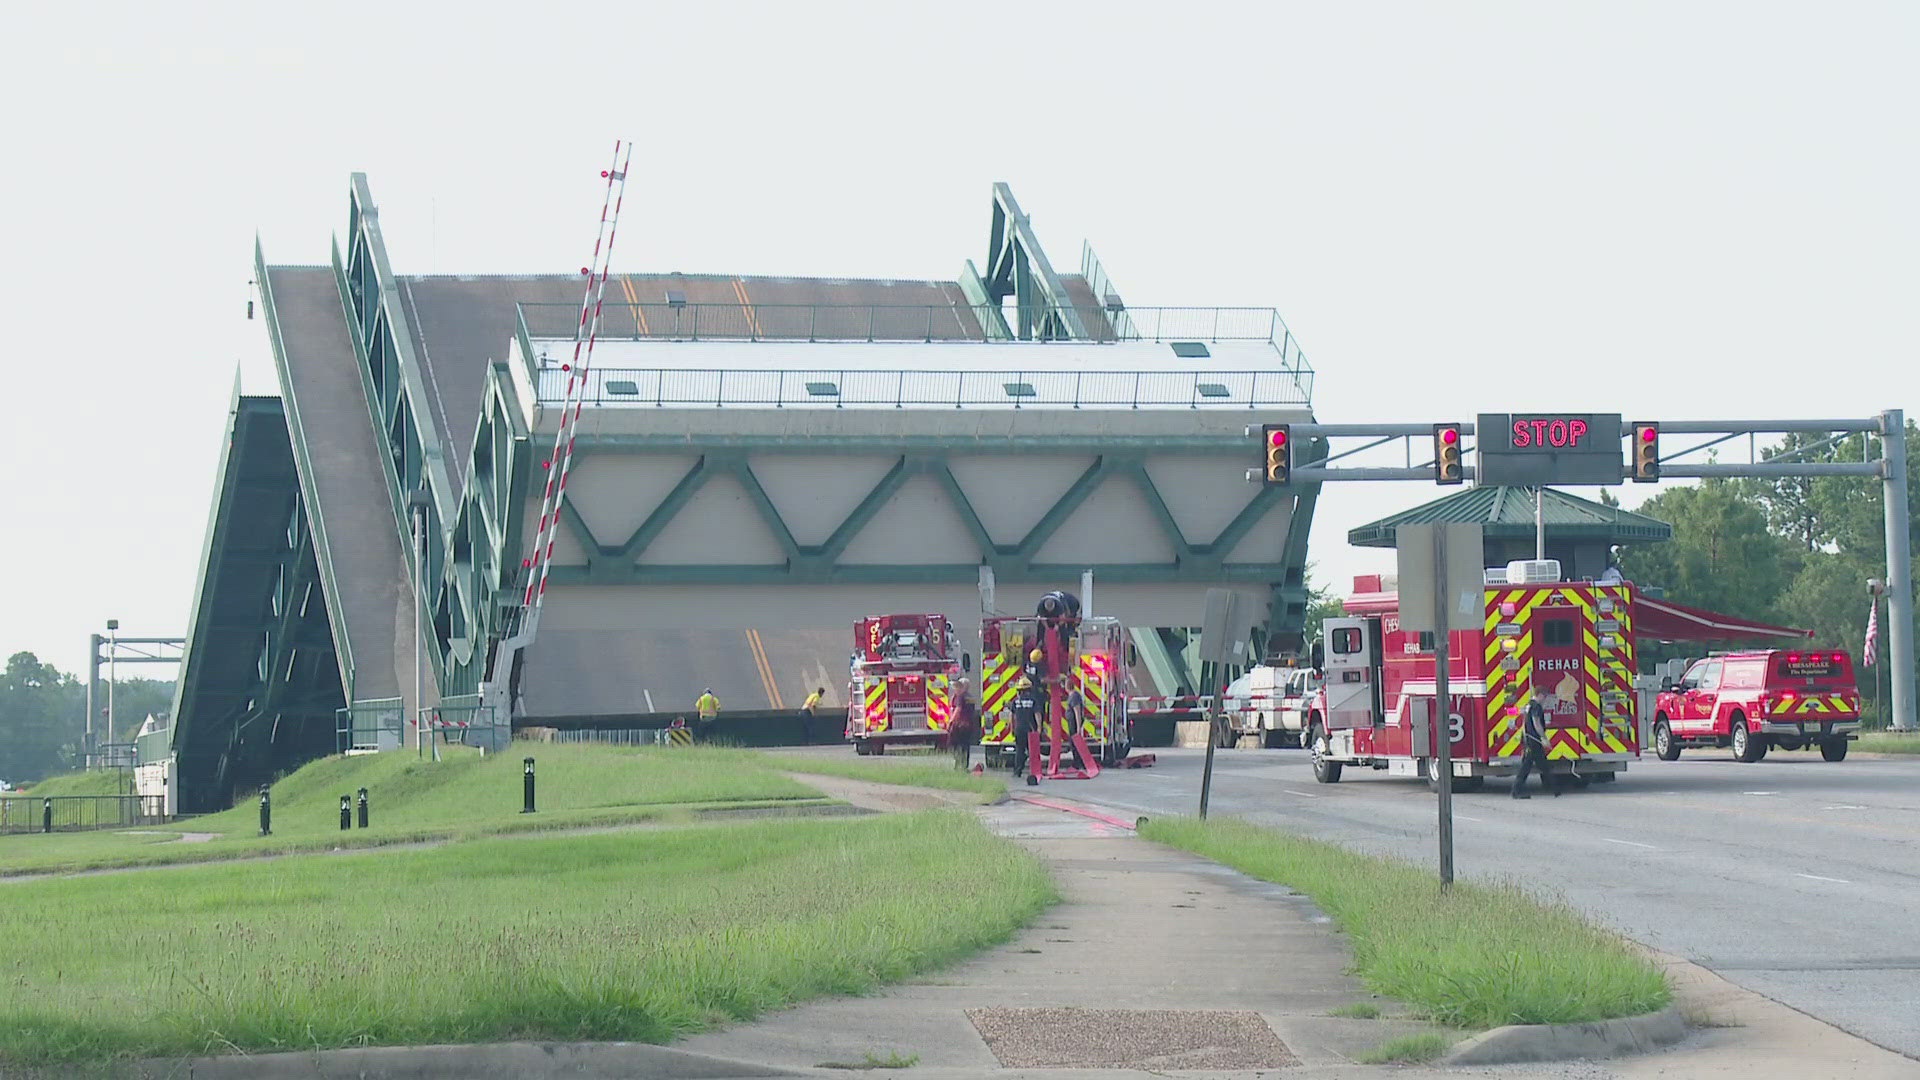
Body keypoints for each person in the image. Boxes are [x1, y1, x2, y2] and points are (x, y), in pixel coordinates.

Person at [1512, 695, 1560, 799]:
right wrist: (1544, 738)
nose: (1545, 699)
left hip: (1530, 740)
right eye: (1545, 696)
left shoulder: (1529, 704)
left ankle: (1556, 789)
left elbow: (1524, 723)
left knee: (1542, 766)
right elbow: (1537, 723)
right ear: (1541, 695)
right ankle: (1516, 791)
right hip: (1534, 741)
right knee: (1527, 767)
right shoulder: (1536, 707)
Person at [1010, 677, 1040, 785]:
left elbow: (1012, 716)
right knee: (1032, 751)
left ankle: (1017, 771)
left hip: (1019, 728)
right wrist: (1039, 727)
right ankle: (1034, 771)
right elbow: (1037, 714)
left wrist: (1012, 728)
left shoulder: (1016, 701)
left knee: (1019, 750)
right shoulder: (1033, 700)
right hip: (1030, 729)